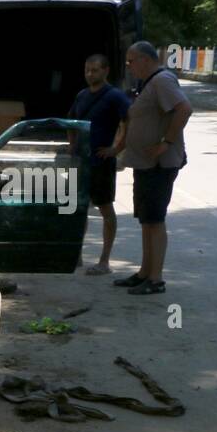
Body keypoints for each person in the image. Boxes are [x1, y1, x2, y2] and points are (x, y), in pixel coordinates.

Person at [112, 41, 193, 295]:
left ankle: (156, 280)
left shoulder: (162, 80)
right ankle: (144, 272)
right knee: (147, 220)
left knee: (155, 220)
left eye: (131, 60)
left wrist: (166, 142)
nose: (129, 66)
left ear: (145, 59)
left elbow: (184, 109)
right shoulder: (149, 83)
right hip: (145, 164)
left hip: (160, 164)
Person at [68, 53, 130, 274]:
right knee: (78, 210)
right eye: (87, 70)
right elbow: (72, 123)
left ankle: (105, 261)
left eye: (95, 70)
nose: (90, 74)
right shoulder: (82, 95)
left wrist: (116, 149)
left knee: (106, 209)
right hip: (81, 162)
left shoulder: (115, 96)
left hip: (102, 162)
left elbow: (129, 122)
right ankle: (77, 256)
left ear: (106, 71)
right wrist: (72, 148)